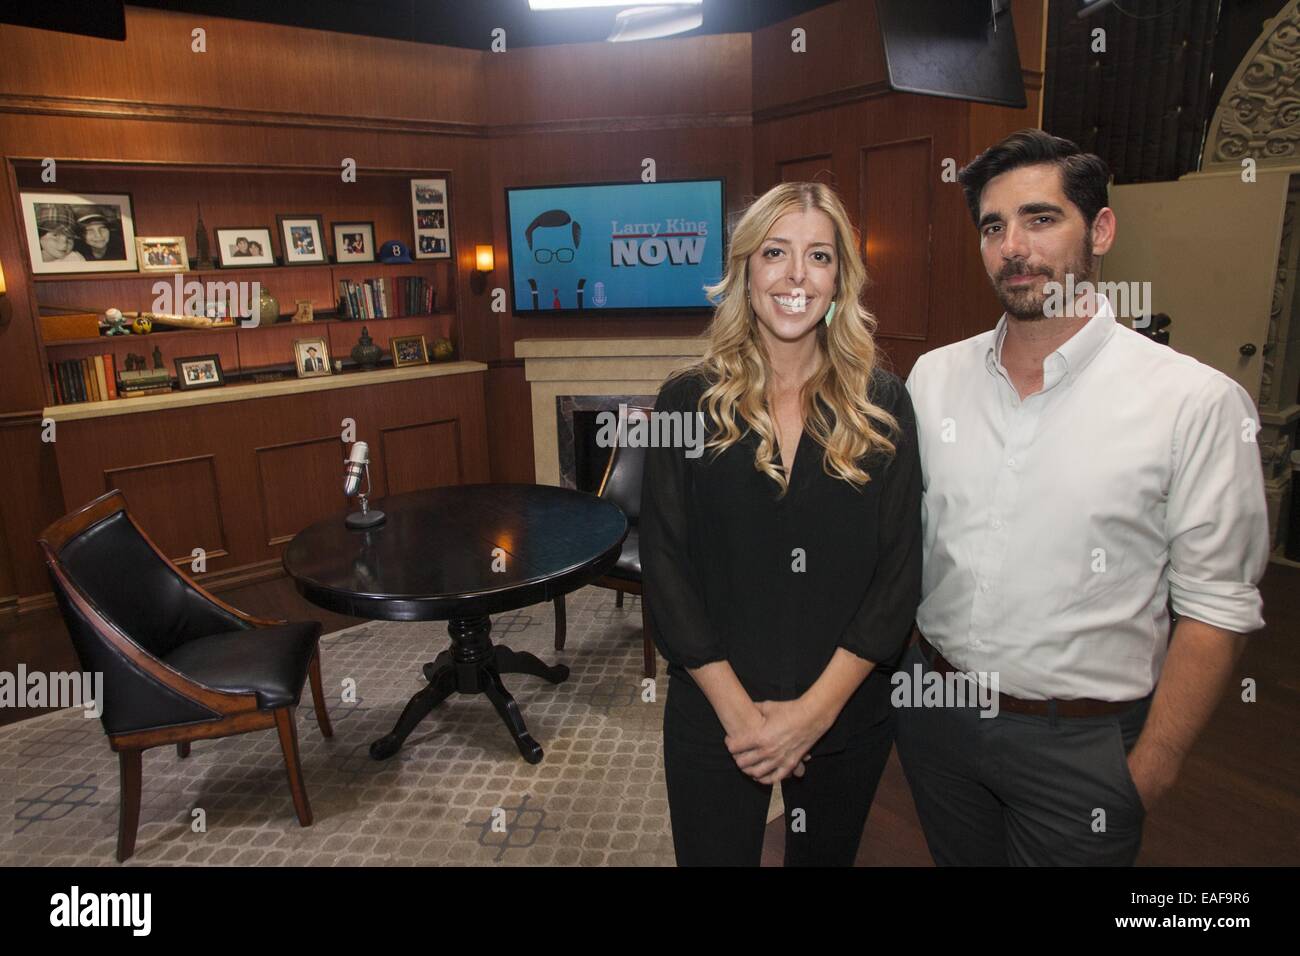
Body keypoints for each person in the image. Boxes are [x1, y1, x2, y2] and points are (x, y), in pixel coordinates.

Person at [897, 129, 1269, 866]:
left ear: (1099, 229)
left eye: (1041, 219)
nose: (1013, 247)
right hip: (934, 715)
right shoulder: (933, 379)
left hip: (1082, 746)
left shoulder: (1194, 402)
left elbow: (1216, 606)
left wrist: (1151, 768)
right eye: (993, 226)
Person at [640, 181, 921, 867]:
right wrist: (742, 717)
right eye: (776, 252)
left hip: (846, 714)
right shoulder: (686, 401)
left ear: (839, 280)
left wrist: (813, 715)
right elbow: (667, 568)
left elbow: (899, 574)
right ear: (746, 271)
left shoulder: (883, 403)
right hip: (715, 714)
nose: (797, 275)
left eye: (819, 256)